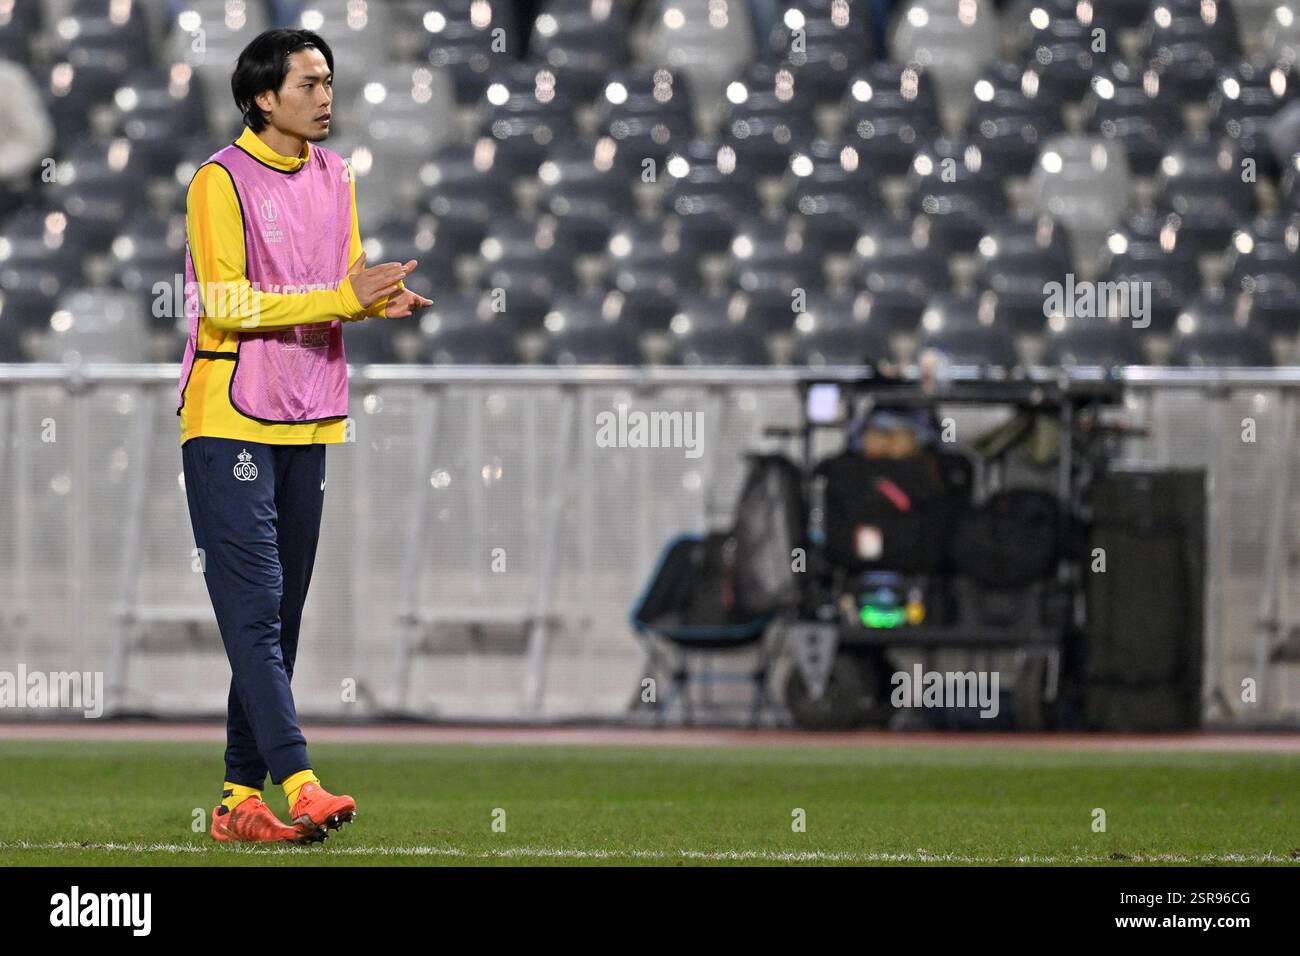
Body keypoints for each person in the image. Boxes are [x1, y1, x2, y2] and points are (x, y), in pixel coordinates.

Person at [177, 27, 432, 844]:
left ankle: (234, 801)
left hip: (307, 411)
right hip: (230, 415)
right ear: (262, 96)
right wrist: (340, 299)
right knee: (254, 612)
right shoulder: (218, 181)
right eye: (309, 83)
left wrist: (375, 299)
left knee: (279, 618)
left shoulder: (337, 177)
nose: (326, 96)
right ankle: (300, 779)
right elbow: (225, 305)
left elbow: (340, 284)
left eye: (329, 81)